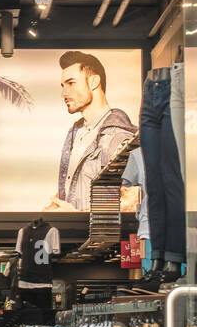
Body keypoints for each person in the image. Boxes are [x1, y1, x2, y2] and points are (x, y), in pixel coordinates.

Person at [47, 51, 137, 211]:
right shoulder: (76, 133)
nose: (64, 93)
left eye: (71, 83)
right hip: (73, 234)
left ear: (94, 81)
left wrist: (76, 215)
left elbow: (133, 201)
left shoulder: (118, 137)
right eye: (63, 86)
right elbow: (77, 187)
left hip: (101, 235)